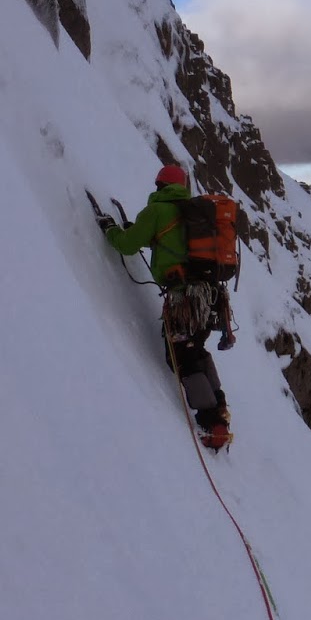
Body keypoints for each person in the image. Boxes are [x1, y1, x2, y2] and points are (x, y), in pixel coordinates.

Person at [98, 163, 233, 449]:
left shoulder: (157, 211)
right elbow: (174, 245)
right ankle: (219, 409)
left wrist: (111, 230)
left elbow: (126, 246)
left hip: (185, 299)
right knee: (196, 350)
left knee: (182, 357)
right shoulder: (192, 213)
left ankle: (211, 422)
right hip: (209, 298)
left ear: (159, 185)